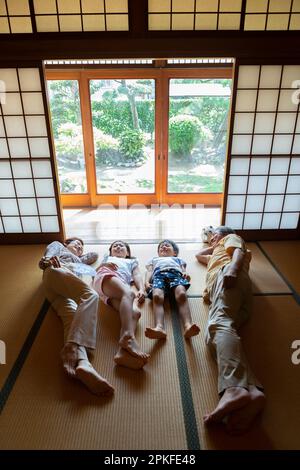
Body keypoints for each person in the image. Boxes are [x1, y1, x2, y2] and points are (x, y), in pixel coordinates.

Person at [196, 226, 265, 435]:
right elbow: (199, 256)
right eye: (211, 238)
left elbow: (238, 252)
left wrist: (233, 268)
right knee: (217, 334)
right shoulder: (216, 252)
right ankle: (252, 391)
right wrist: (214, 245)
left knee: (218, 326)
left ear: (223, 235)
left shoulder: (232, 239)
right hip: (234, 289)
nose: (212, 240)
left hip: (228, 277)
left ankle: (233, 388)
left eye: (215, 236)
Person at [39, 237, 114, 397]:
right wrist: (47, 260)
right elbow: (49, 253)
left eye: (81, 246)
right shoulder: (59, 246)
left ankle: (83, 364)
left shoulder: (79, 260)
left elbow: (92, 255)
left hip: (55, 292)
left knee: (73, 319)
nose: (79, 247)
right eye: (76, 244)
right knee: (90, 296)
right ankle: (71, 347)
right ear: (66, 243)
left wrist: (79, 254)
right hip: (56, 270)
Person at [92, 240, 149, 369]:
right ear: (110, 251)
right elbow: (94, 272)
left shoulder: (131, 262)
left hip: (113, 290)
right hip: (106, 277)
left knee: (135, 313)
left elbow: (137, 275)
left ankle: (121, 353)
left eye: (121, 246)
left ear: (127, 252)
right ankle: (128, 337)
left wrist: (141, 289)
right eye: (114, 246)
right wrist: (104, 264)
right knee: (129, 294)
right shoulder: (108, 258)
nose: (117, 247)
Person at [145, 239, 200, 340]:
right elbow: (149, 271)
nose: (164, 247)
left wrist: (185, 273)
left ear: (174, 253)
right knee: (156, 296)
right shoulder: (154, 259)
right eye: (161, 247)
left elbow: (183, 269)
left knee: (182, 294)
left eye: (167, 246)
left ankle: (188, 325)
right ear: (158, 253)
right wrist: (147, 282)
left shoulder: (177, 259)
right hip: (158, 276)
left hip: (175, 274)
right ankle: (159, 327)